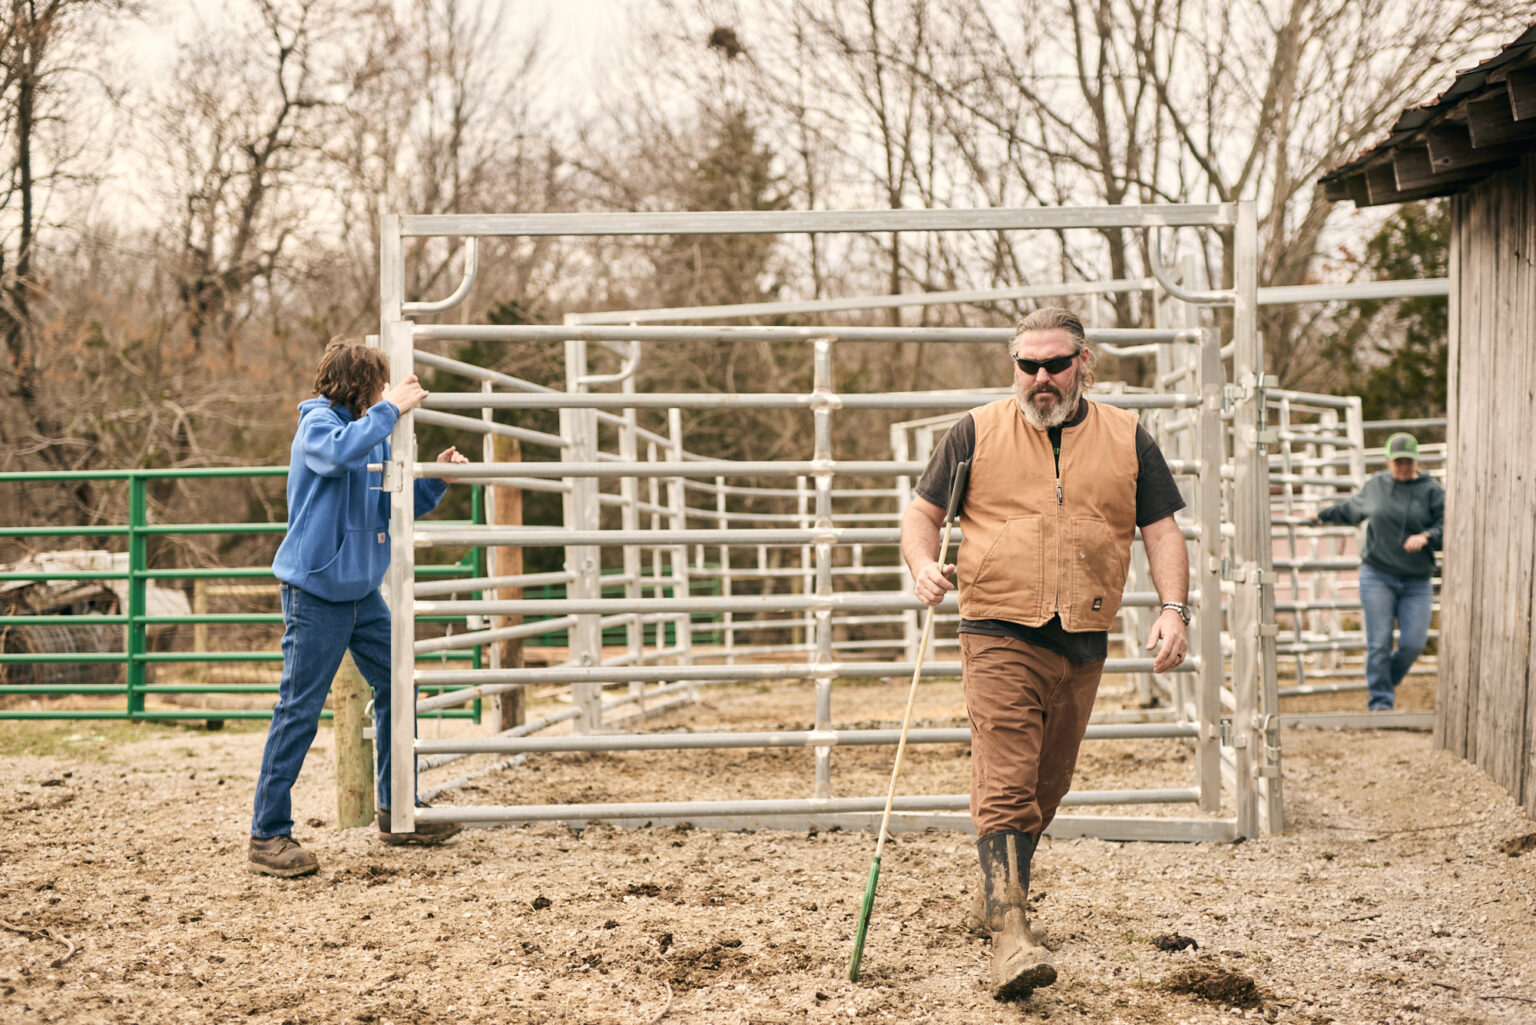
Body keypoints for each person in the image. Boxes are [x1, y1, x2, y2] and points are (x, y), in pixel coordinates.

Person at [900, 307, 1191, 1000]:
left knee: (1046, 784)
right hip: (998, 627)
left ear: (1083, 363)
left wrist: (1174, 609)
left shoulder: (1127, 436)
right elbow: (922, 514)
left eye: (1054, 364)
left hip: (1083, 634)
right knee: (1005, 776)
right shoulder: (975, 432)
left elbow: (1161, 527)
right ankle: (1010, 934)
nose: (1039, 378)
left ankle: (998, 892)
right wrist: (921, 565)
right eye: (1026, 365)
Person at [249, 337, 470, 878]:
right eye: (378, 385)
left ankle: (398, 809)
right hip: (317, 592)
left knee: (399, 684)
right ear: (360, 385)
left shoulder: (371, 434)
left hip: (361, 593)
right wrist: (393, 407)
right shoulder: (319, 427)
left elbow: (390, 504)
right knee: (299, 709)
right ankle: (267, 834)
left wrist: (434, 481)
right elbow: (337, 455)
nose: (383, 393)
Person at [1316, 432, 1443, 712]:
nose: (1403, 466)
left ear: (1416, 460)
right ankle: (1381, 702)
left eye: (1408, 461)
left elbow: (1447, 524)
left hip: (1416, 578)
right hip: (1378, 574)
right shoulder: (1375, 486)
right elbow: (1350, 510)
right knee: (1380, 642)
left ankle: (1384, 681)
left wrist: (1427, 536)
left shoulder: (1432, 491)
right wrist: (1320, 516)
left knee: (1413, 643)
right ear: (1388, 461)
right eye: (1398, 461)